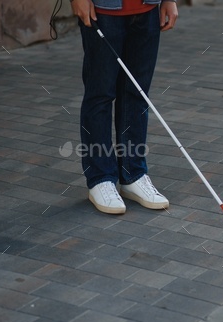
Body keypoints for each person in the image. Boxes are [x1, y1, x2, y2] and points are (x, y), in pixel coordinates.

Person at [70, 0, 178, 214]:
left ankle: (133, 175)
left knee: (137, 94)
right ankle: (100, 178)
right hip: (103, 11)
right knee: (100, 96)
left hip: (147, 10)